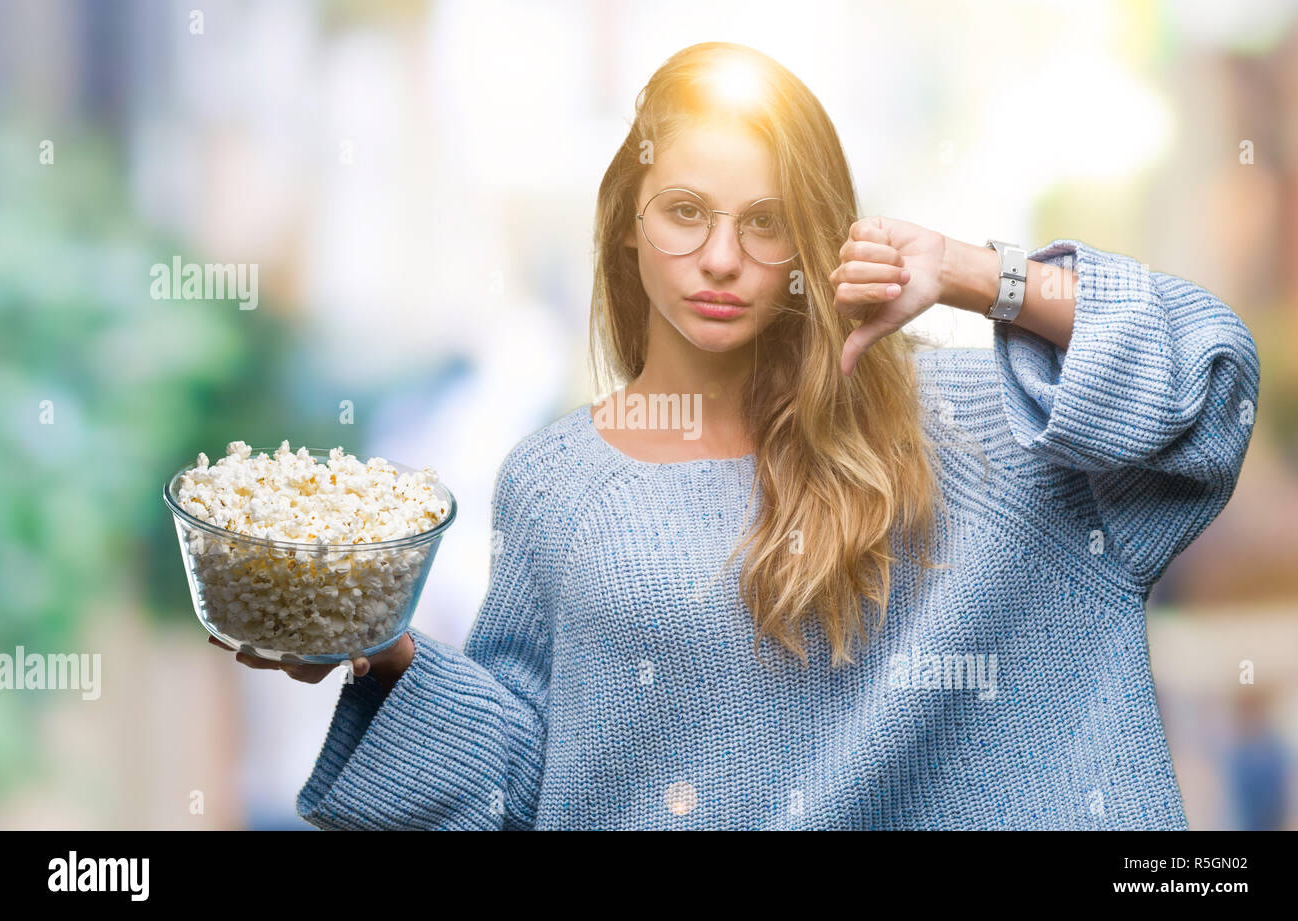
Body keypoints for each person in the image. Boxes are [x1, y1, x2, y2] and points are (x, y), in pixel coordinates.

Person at [212, 41, 1260, 829]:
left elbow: (1210, 380)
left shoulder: (977, 428)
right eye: (684, 212)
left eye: (763, 223)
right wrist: (382, 654)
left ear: (811, 234)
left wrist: (976, 275)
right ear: (628, 222)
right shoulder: (556, 481)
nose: (721, 257)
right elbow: (524, 790)